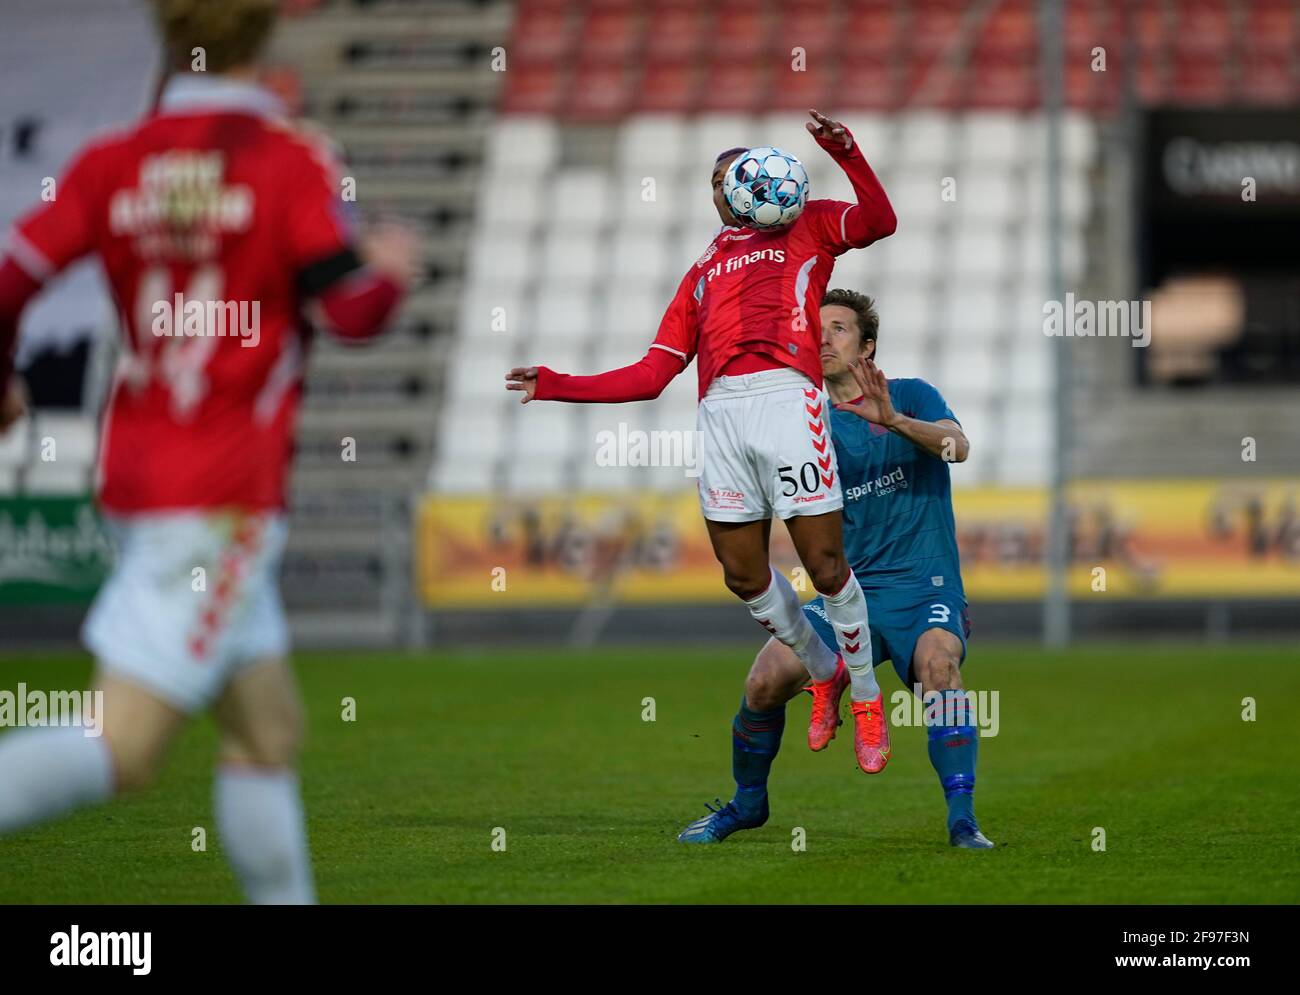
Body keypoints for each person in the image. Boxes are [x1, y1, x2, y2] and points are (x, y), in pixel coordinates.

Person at [0, 0, 419, 902]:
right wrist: (388, 268)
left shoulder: (112, 163)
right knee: (124, 745)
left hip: (137, 476)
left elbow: (9, 280)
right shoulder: (288, 160)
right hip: (221, 495)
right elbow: (347, 313)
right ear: (263, 32)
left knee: (266, 732)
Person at [507, 110, 898, 770]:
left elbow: (880, 221)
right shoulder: (702, 272)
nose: (727, 186)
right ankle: (822, 668)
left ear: (763, 180)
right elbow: (653, 372)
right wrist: (556, 383)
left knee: (827, 566)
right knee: (742, 573)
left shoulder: (812, 224)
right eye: (718, 180)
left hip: (786, 400)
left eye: (736, 172)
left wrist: (847, 151)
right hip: (721, 417)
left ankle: (864, 696)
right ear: (721, 199)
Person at [677, 289, 993, 849]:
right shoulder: (804, 424)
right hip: (850, 593)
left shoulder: (912, 395)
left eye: (839, 329)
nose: (822, 338)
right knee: (764, 681)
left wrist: (893, 420)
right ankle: (747, 805)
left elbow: (958, 448)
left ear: (867, 346)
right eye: (814, 329)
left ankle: (963, 821)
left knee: (939, 672)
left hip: (925, 587)